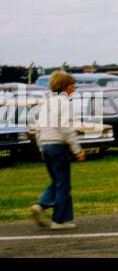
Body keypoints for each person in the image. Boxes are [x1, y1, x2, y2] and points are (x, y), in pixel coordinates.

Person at [30, 71, 86, 231]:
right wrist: (77, 150)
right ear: (66, 87)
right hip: (58, 146)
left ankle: (42, 205)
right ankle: (59, 220)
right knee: (63, 185)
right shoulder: (65, 104)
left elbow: (38, 129)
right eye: (73, 85)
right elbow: (66, 129)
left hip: (46, 146)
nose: (74, 89)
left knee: (58, 181)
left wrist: (41, 148)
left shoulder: (46, 103)